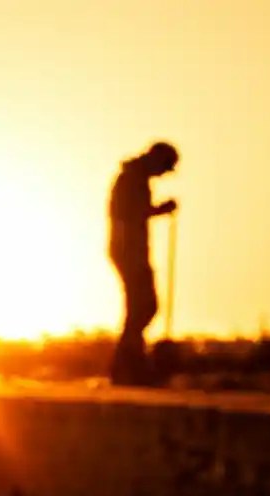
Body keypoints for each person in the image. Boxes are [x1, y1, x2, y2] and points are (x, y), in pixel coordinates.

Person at [108, 141, 179, 386]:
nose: (163, 174)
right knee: (144, 306)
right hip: (128, 250)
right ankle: (127, 365)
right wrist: (159, 210)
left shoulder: (135, 178)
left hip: (132, 249)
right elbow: (127, 213)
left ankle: (128, 365)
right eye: (165, 168)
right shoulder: (130, 179)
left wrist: (156, 211)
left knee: (141, 307)